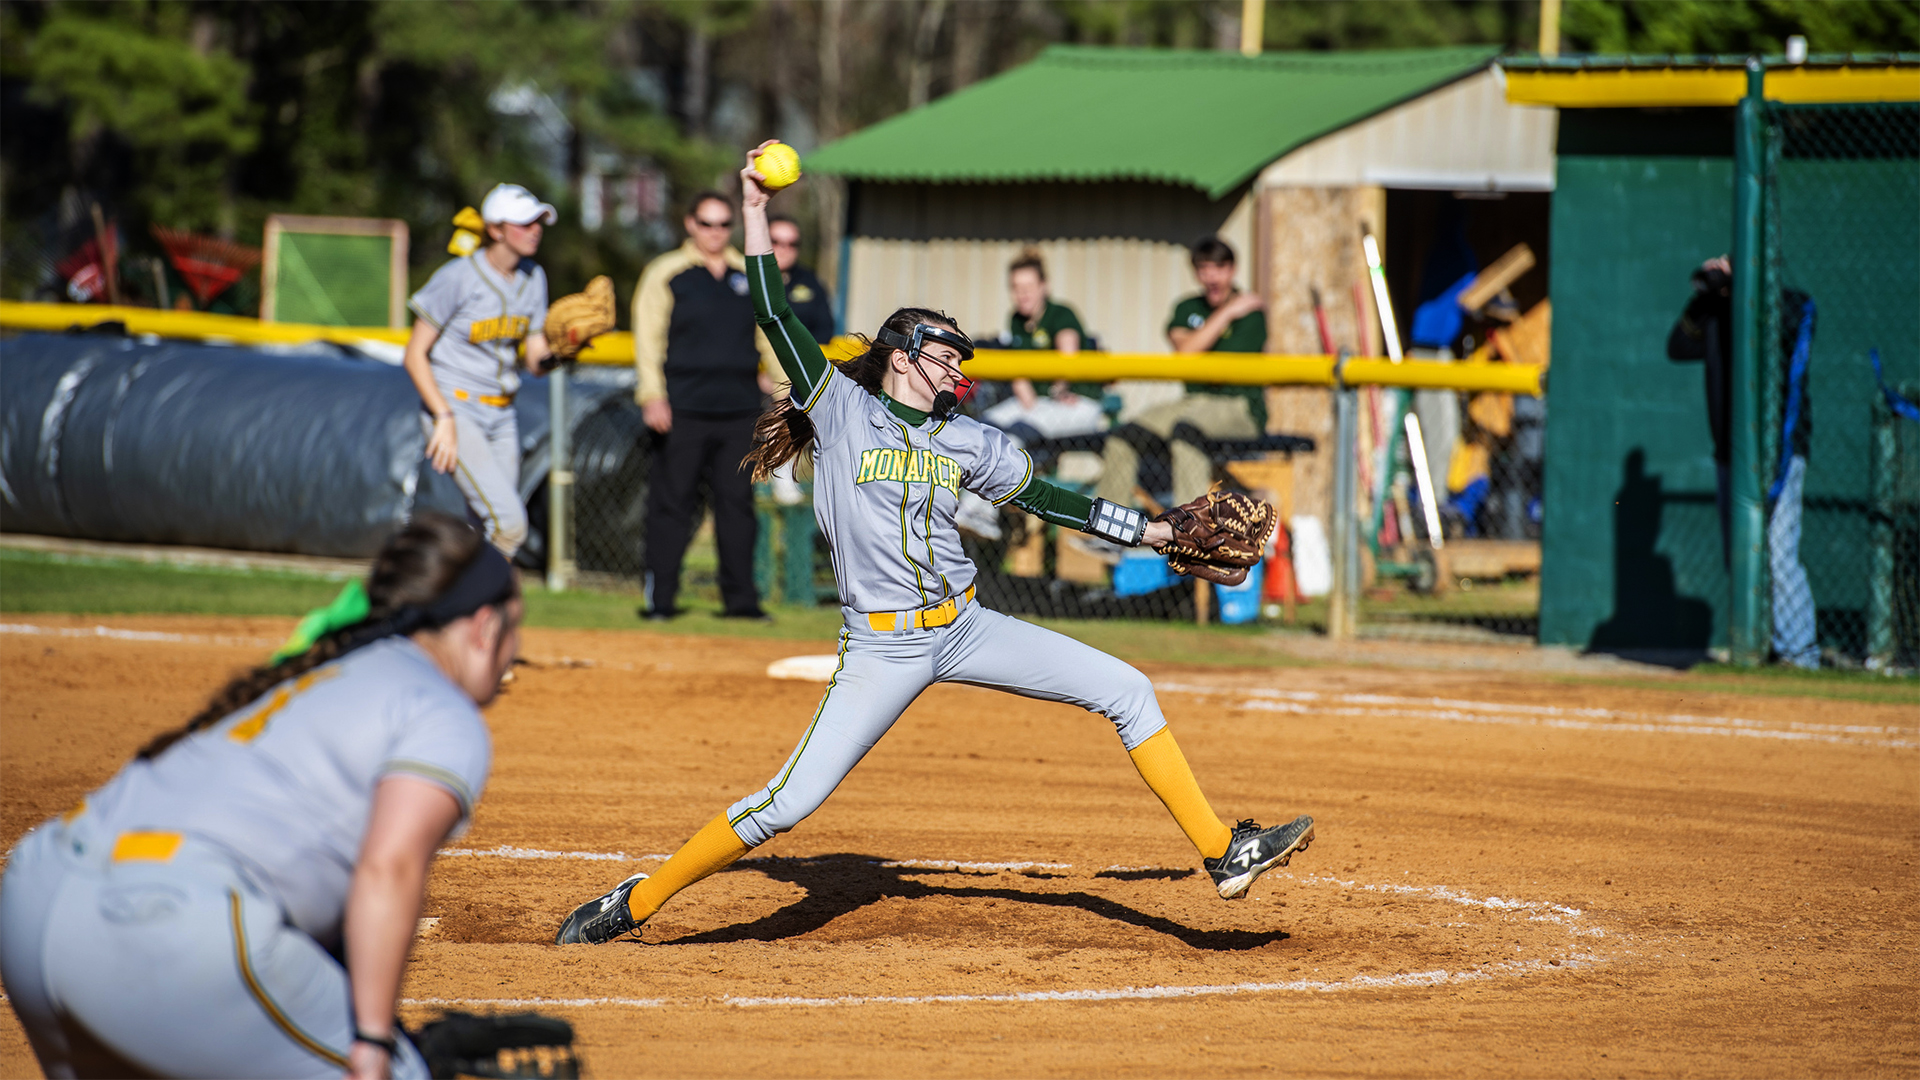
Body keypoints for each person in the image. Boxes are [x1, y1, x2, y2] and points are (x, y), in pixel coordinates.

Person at [553, 142, 1314, 947]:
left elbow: (1050, 500)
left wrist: (1152, 530)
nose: (957, 369)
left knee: (1127, 689)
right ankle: (637, 901)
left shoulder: (968, 437)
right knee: (785, 805)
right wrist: (753, 209)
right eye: (945, 355)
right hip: (882, 649)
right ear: (902, 357)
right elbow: (774, 314)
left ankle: (1224, 852)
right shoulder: (841, 408)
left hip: (966, 625)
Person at [0, 513, 519, 1079]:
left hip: (34, 893)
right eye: (515, 629)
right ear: (483, 626)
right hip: (160, 919)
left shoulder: (322, 669)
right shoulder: (442, 710)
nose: (515, 652)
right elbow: (389, 867)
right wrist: (376, 1042)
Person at [634, 190, 781, 621]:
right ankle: (660, 600)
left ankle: (741, 602)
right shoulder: (667, 272)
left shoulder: (746, 271)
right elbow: (648, 339)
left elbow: (769, 335)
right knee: (672, 505)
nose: (715, 232)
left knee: (737, 506)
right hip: (682, 408)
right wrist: (652, 395)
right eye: (707, 223)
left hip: (739, 408)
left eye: (723, 224)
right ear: (690, 224)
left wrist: (783, 393)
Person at [1667, 256, 1818, 667]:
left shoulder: (1787, 305)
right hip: (1729, 453)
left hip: (1779, 452)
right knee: (1740, 555)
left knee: (1778, 552)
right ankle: (1757, 649)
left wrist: (1742, 288)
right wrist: (1705, 295)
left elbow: (1792, 323)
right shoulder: (1717, 312)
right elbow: (1678, 346)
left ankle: (1800, 655)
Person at [403, 184, 555, 557]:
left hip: (502, 414)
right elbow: (414, 354)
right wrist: (442, 415)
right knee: (509, 525)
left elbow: (536, 360)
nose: (535, 230)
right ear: (495, 230)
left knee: (485, 524)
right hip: (456, 407)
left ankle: (462, 591)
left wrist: (566, 349)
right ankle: (481, 591)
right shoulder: (459, 276)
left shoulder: (534, 278)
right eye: (524, 223)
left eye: (538, 222)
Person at [1093, 235, 1268, 509]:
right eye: (1204, 268)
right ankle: (1110, 524)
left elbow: (1209, 362)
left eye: (1219, 268)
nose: (1211, 276)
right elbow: (1186, 352)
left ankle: (1191, 526)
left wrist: (1199, 340)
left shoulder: (1251, 314)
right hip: (1192, 402)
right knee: (1123, 436)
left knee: (1187, 432)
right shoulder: (1190, 308)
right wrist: (1227, 313)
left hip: (1238, 406)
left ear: (1232, 269)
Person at [768, 214, 835, 346]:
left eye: (792, 244)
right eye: (775, 242)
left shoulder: (810, 282)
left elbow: (825, 329)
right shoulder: (744, 280)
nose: (784, 250)